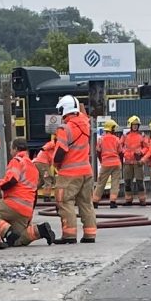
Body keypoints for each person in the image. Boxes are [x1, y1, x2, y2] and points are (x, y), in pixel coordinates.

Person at [45, 96, 98, 244]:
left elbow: (61, 150)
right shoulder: (85, 124)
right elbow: (83, 114)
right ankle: (90, 234)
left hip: (69, 173)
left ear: (64, 110)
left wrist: (55, 163)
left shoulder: (65, 129)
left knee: (64, 202)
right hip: (86, 171)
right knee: (86, 203)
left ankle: (69, 235)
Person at [0, 141, 52, 247]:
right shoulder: (32, 166)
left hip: (13, 205)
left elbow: (11, 180)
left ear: (15, 149)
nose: (10, 152)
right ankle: (40, 231)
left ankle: (7, 231)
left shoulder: (17, 161)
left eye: (11, 149)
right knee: (17, 240)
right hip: (25, 210)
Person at [97, 115, 123, 205]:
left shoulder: (101, 139)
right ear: (112, 129)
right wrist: (120, 162)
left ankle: (95, 201)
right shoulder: (117, 139)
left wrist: (101, 161)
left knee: (101, 183)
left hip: (105, 163)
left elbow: (98, 152)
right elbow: (120, 152)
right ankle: (113, 201)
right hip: (116, 163)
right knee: (115, 183)